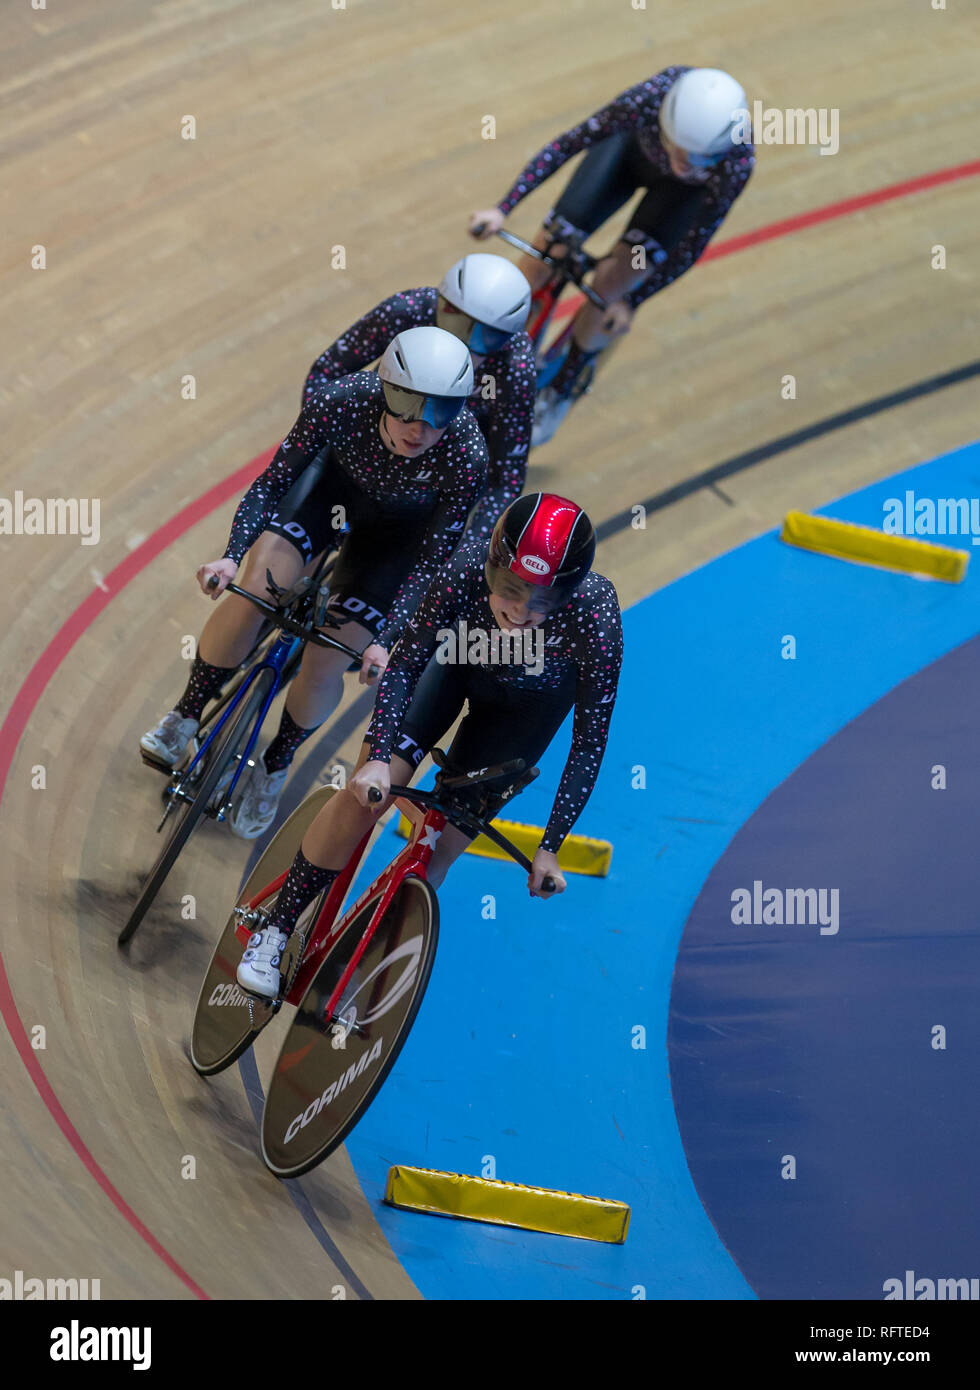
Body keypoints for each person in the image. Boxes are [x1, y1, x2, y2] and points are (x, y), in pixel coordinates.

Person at [236, 491, 623, 999]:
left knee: (436, 854)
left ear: (568, 594)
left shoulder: (596, 616)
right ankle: (277, 926)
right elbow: (407, 664)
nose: (524, 612)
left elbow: (590, 741)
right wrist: (377, 758)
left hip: (521, 717)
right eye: (510, 589)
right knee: (367, 797)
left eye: (544, 601)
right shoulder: (464, 568)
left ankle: (358, 978)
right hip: (454, 672)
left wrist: (551, 846)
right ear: (492, 566)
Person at [140, 326, 488, 839]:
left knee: (327, 660)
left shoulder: (466, 454)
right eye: (407, 403)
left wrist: (387, 641)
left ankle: (277, 763)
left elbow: (432, 560)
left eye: (441, 410)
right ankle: (185, 715)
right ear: (384, 387)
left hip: (392, 543)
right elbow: (274, 482)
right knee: (255, 593)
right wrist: (232, 557)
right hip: (327, 496)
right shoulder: (343, 399)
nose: (421, 426)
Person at [468, 66, 754, 443]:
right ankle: (490, 358)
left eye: (703, 159)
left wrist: (632, 302)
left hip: (676, 199)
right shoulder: (645, 101)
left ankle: (561, 388)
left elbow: (694, 242)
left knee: (613, 285)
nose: (688, 164)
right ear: (665, 121)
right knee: (545, 253)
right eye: (683, 150)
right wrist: (504, 207)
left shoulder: (736, 161)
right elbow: (568, 144)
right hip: (626, 157)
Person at [303, 253, 534, 538]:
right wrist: (318, 438)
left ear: (508, 338)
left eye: (487, 336)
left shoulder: (515, 364)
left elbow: (505, 480)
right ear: (440, 305)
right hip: (375, 428)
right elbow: (328, 371)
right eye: (457, 323)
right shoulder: (408, 310)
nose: (465, 342)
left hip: (442, 460)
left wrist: (468, 548)